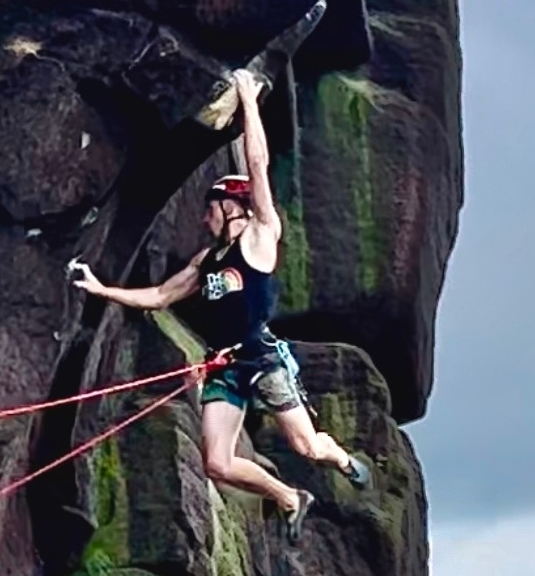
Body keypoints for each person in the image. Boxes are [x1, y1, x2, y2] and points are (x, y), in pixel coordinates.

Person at [69, 69, 370, 544]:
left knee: (307, 447)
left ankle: (341, 457)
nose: (204, 216)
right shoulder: (205, 260)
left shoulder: (260, 235)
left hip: (262, 359)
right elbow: (160, 296)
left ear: (231, 206)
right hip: (223, 366)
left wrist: (249, 100)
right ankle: (289, 497)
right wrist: (101, 289)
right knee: (217, 463)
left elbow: (257, 165)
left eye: (210, 207)